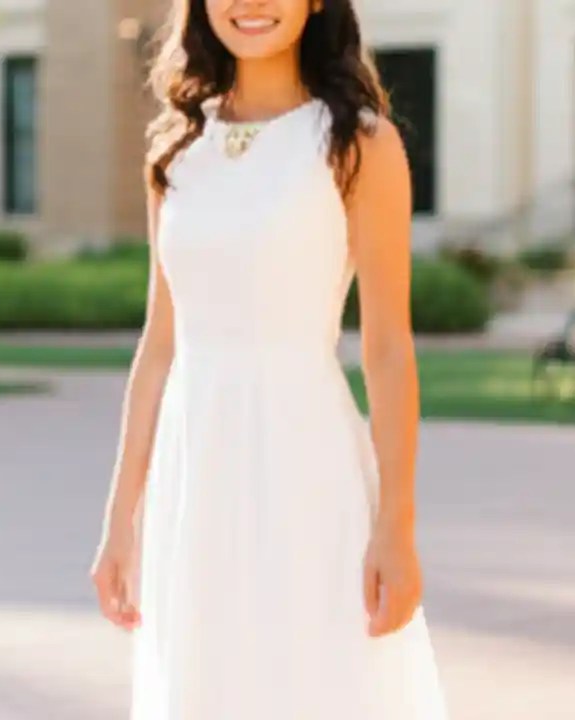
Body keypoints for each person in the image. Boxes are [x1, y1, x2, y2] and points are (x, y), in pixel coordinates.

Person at [88, 0, 450, 718]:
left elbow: (385, 348)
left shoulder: (357, 143)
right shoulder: (173, 149)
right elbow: (160, 344)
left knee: (313, 681)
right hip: (194, 478)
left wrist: (397, 528)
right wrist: (120, 520)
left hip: (306, 465)